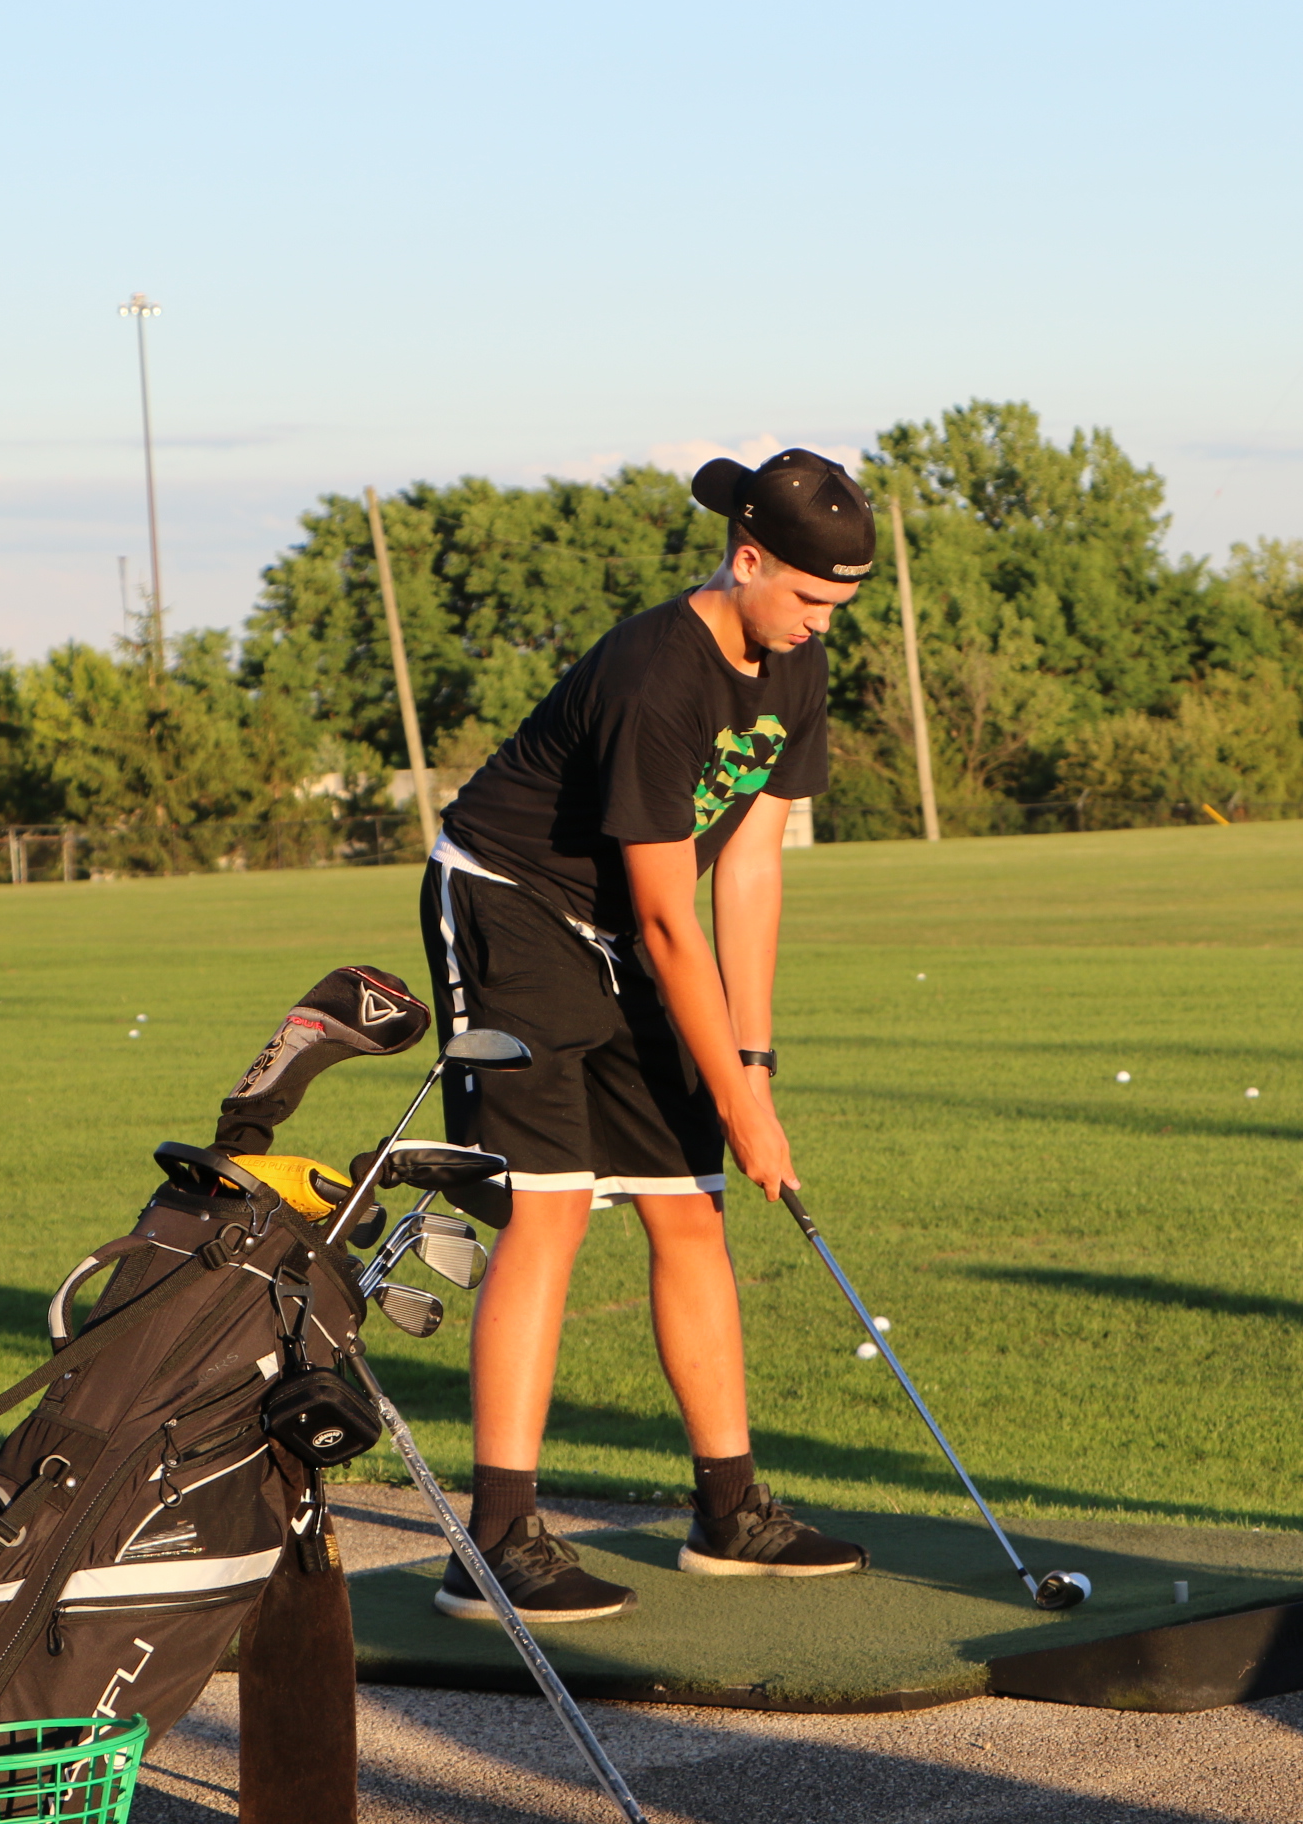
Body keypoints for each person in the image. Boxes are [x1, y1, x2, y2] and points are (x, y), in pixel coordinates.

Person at [415, 447, 874, 1621]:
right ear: (749, 556)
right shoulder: (654, 673)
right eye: (811, 599)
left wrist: (755, 1070)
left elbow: (751, 872)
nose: (822, 626)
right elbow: (673, 920)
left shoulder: (795, 668)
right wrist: (736, 1099)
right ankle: (502, 1538)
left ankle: (730, 1512)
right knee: (551, 1207)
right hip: (515, 905)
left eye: (841, 607)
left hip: (629, 927)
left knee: (688, 1208)